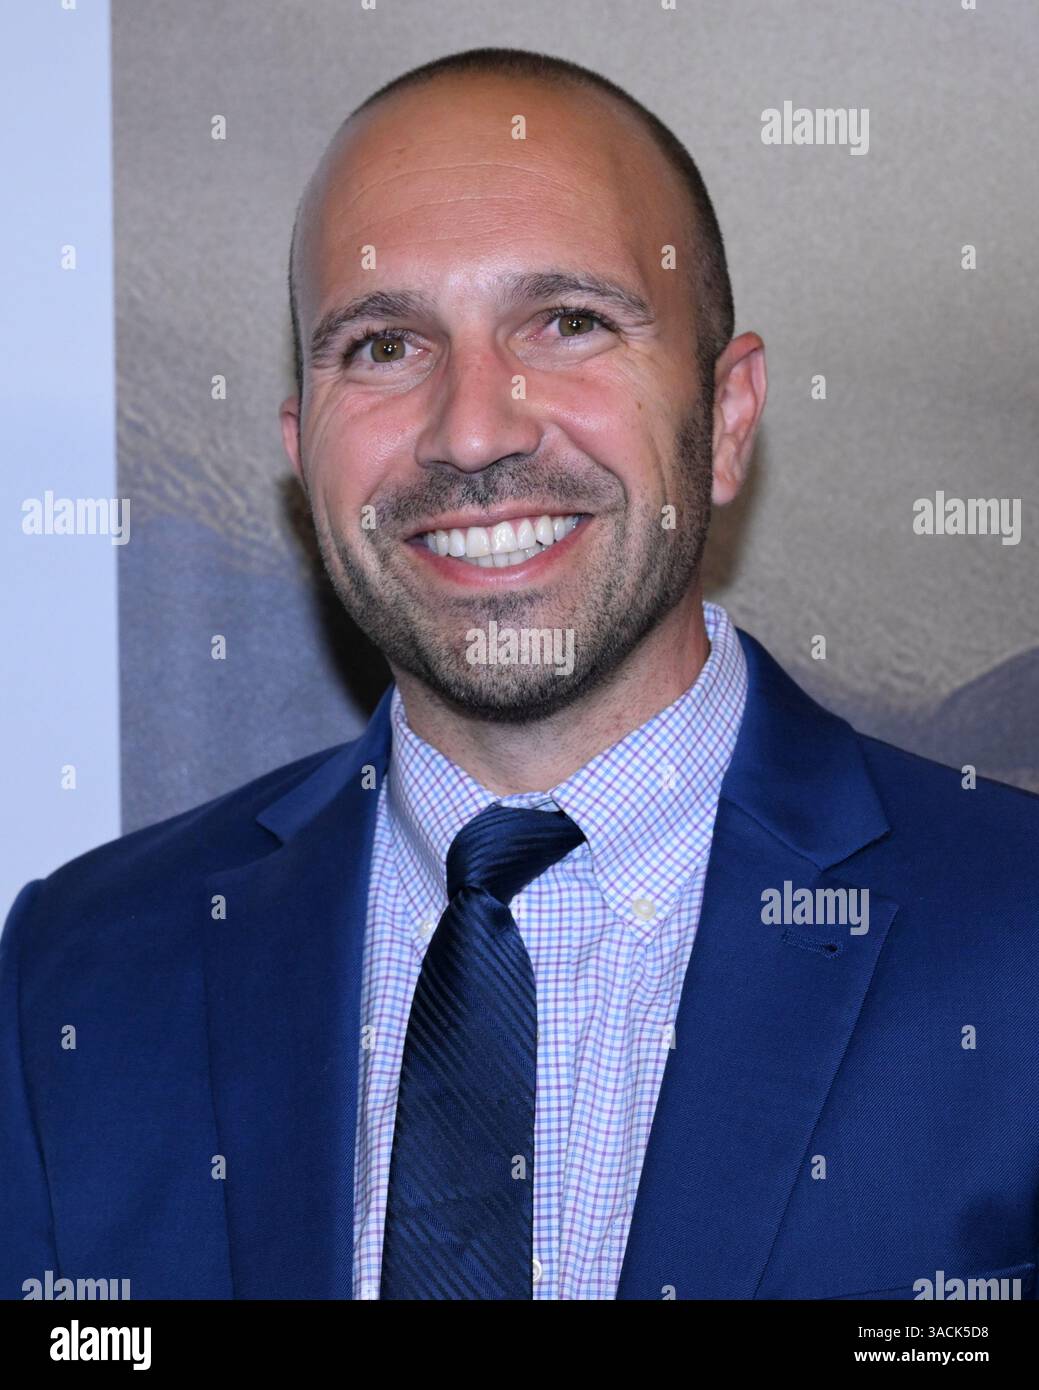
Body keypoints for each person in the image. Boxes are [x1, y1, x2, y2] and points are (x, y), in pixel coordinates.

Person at [3, 47, 1037, 1303]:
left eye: (569, 322)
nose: (473, 428)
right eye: (384, 345)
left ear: (725, 417)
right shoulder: (79, 972)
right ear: (302, 450)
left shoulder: (1014, 933)